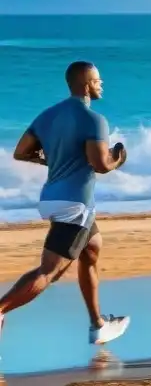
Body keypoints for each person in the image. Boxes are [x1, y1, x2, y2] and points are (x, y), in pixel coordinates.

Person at [0, 61, 129, 347]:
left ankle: (98, 325)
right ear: (86, 84)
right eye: (97, 80)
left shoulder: (47, 116)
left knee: (92, 249)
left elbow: (21, 152)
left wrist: (50, 159)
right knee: (49, 271)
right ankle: (1, 310)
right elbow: (101, 165)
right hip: (75, 205)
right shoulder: (94, 120)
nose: (101, 84)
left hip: (53, 198)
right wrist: (118, 157)